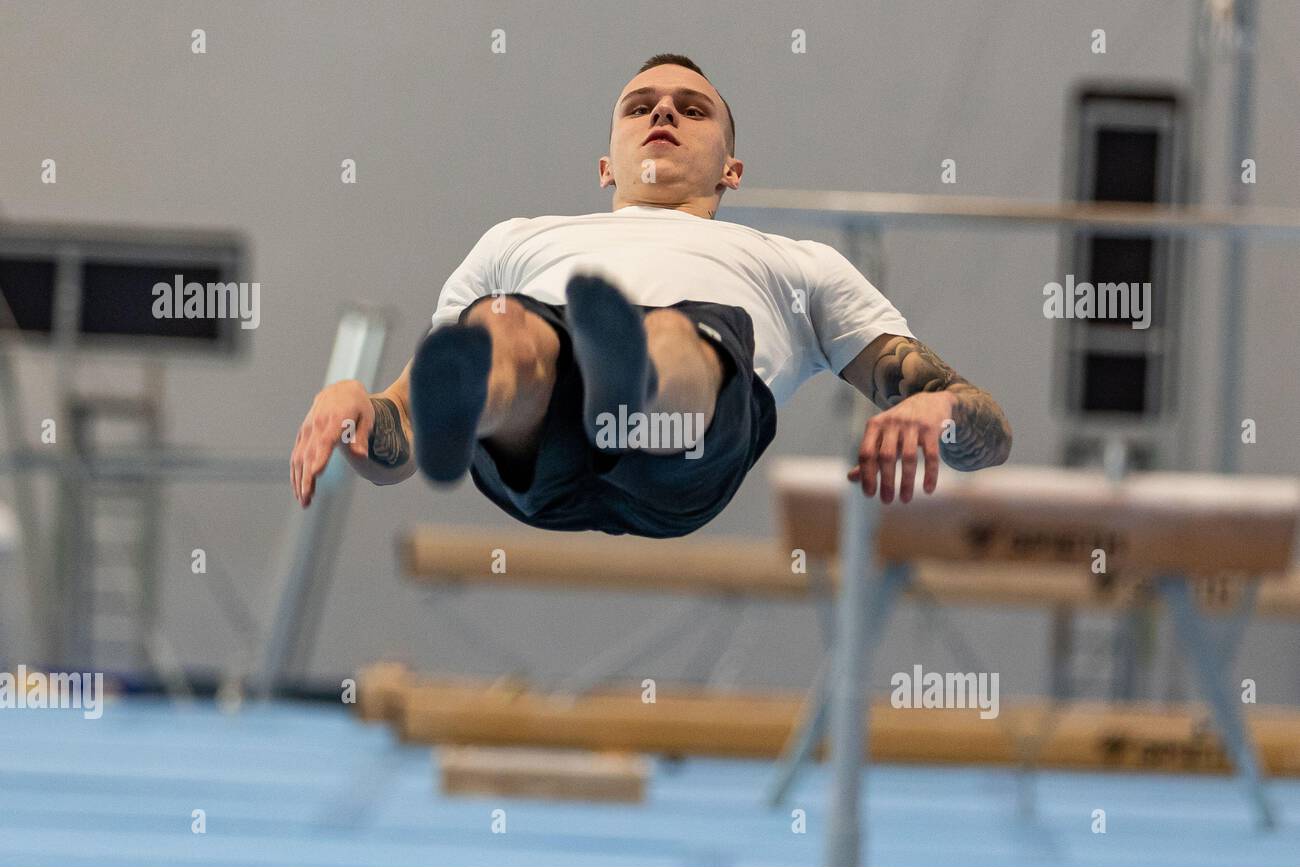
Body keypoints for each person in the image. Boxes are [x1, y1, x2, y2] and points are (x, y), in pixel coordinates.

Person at [290, 53, 1012, 537]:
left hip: (685, 452)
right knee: (501, 326)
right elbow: (398, 445)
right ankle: (525, 397)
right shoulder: (517, 240)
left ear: (732, 169)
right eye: (641, 107)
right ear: (607, 164)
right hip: (534, 454)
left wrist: (938, 407)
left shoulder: (795, 265)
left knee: (670, 335)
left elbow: (990, 433)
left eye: (692, 110)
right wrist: (356, 413)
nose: (663, 113)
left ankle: (631, 386)